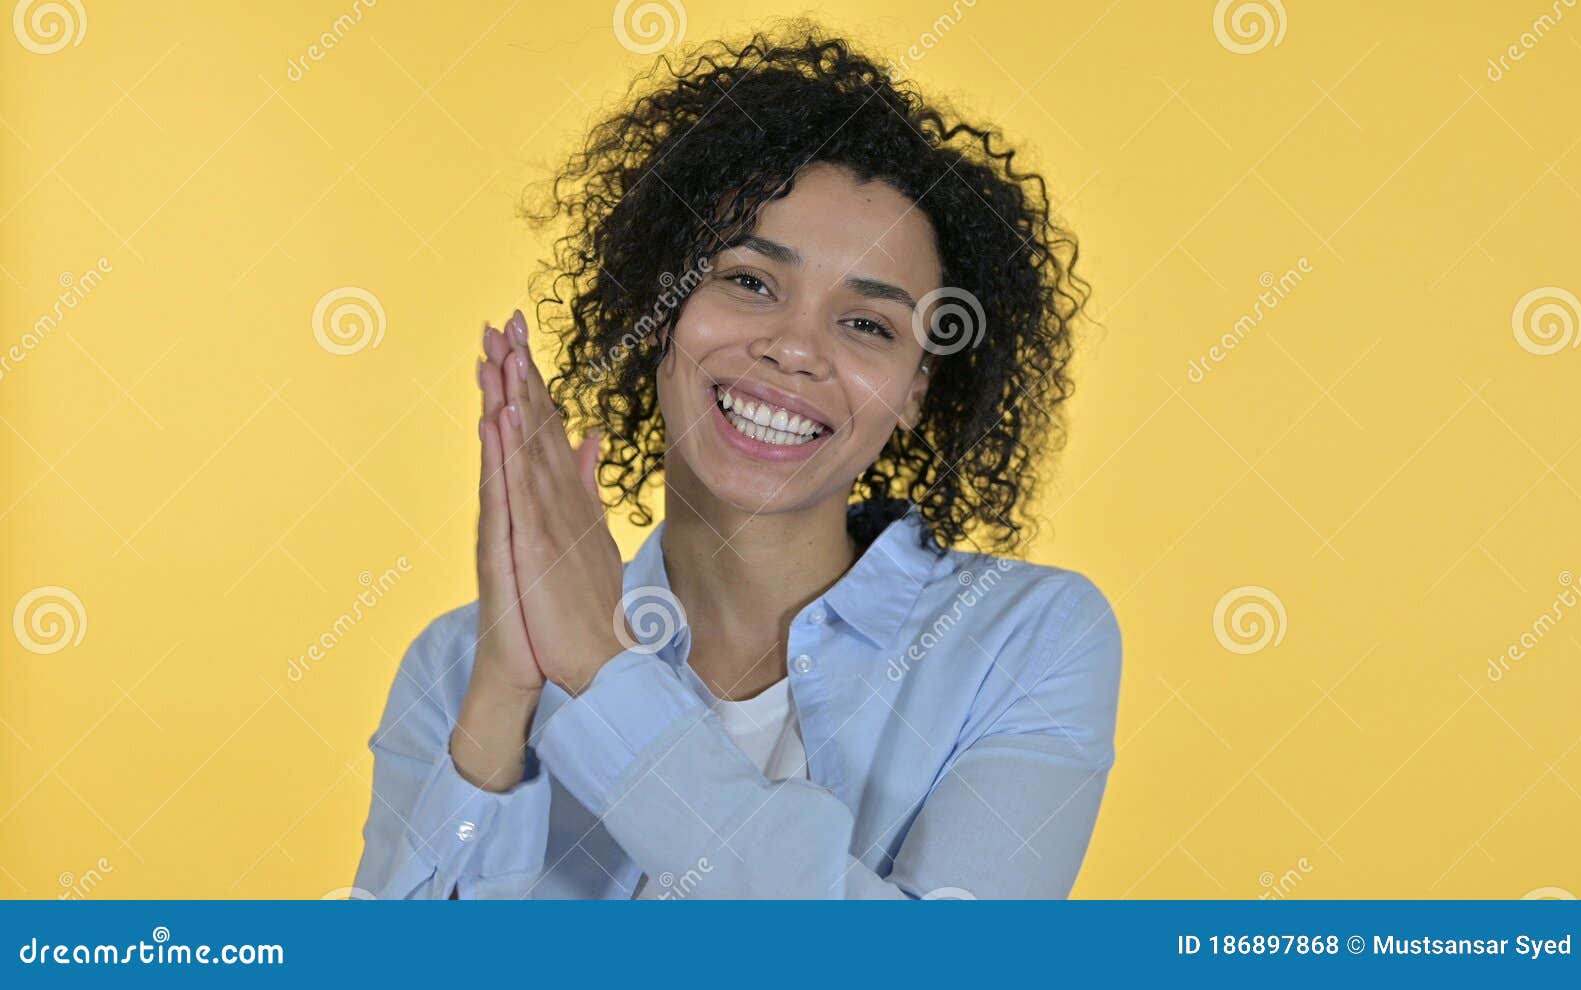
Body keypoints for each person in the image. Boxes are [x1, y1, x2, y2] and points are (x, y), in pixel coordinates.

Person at [353, 24, 1120, 899]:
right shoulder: (457, 663)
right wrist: (500, 697)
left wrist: (604, 676)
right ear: (664, 307)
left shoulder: (1022, 637)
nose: (794, 349)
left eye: (868, 324)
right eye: (750, 281)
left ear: (915, 390)